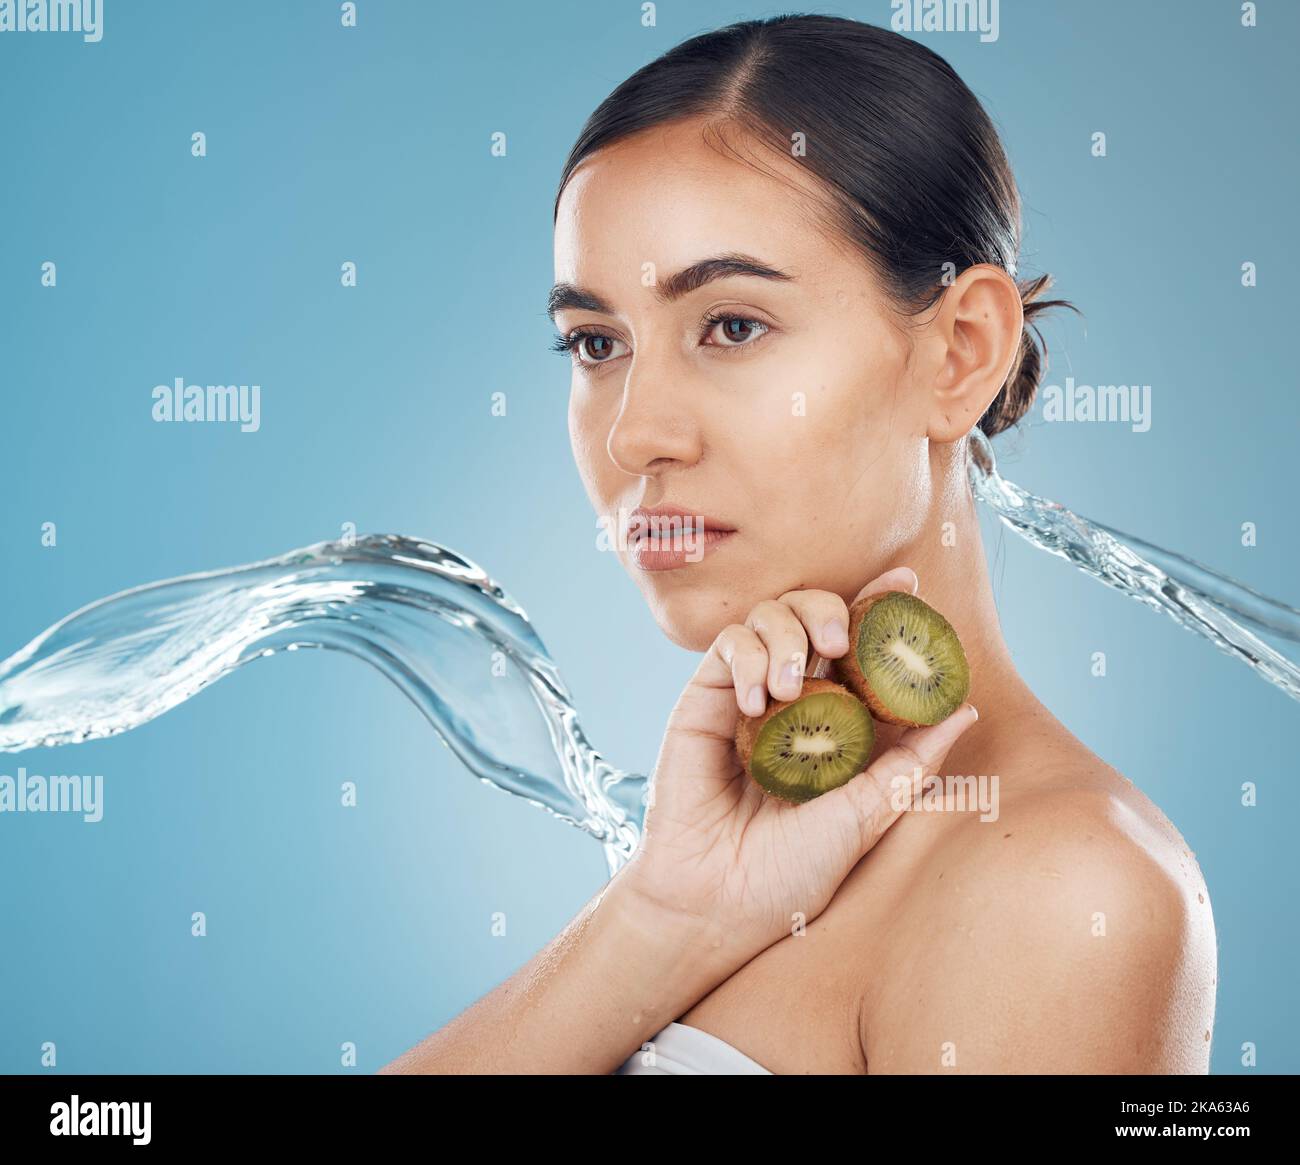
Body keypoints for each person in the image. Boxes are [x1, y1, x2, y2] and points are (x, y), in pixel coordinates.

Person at [380, 13, 1216, 1075]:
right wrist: (663, 917)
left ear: (960, 353)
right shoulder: (709, 860)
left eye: (732, 325)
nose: (636, 431)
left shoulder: (1060, 888)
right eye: (596, 343)